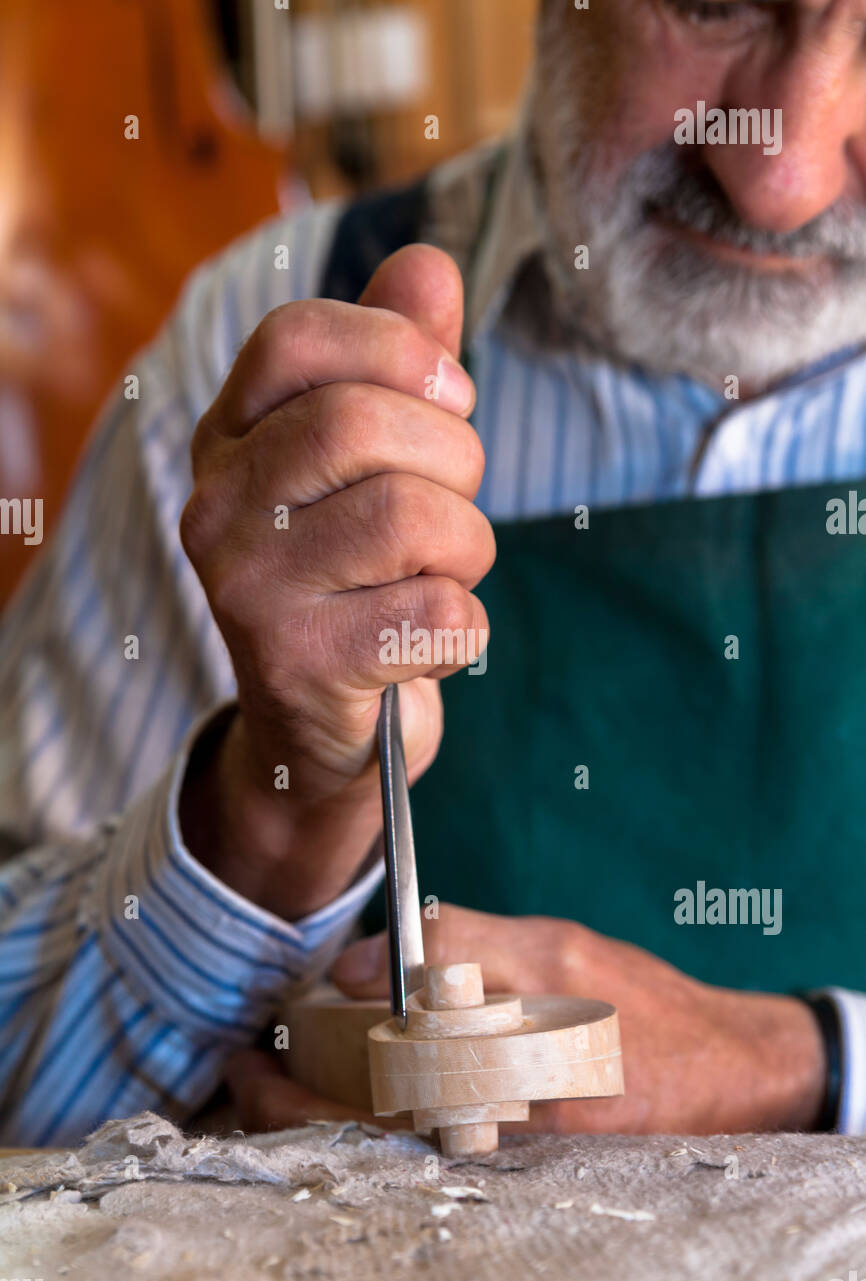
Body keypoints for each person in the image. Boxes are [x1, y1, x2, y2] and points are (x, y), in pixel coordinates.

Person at [2, 0, 865, 1146]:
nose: (779, 175)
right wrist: (271, 821)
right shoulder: (267, 352)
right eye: (710, 3)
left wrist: (801, 1068)